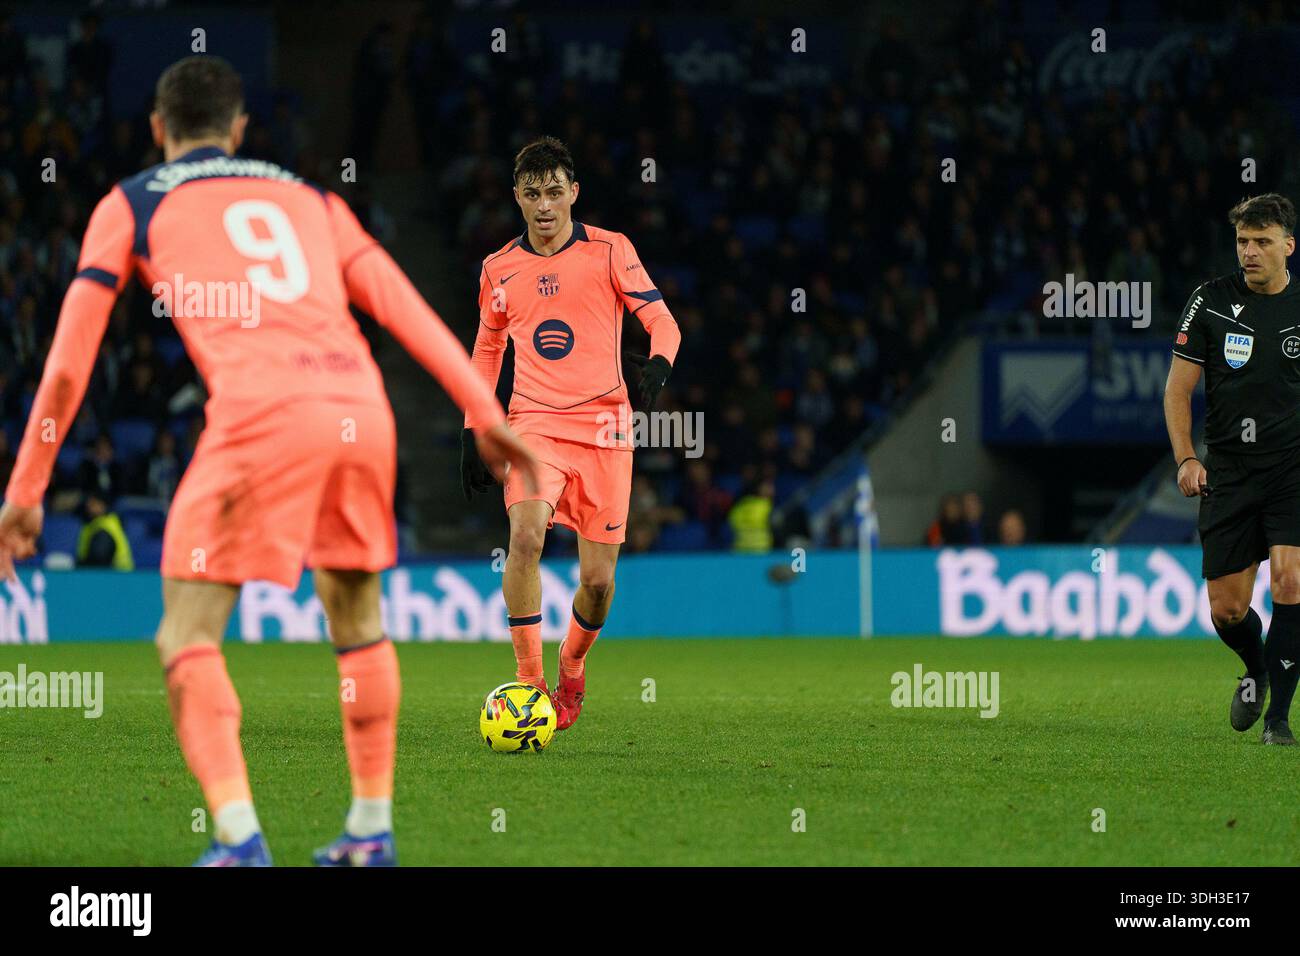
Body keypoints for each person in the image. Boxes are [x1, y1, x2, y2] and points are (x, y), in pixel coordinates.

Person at [0, 56, 539, 866]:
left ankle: (239, 840)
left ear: (158, 130)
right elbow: (398, 301)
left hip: (259, 416)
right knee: (358, 622)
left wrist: (26, 489)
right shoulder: (312, 198)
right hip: (359, 407)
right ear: (241, 129)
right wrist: (486, 416)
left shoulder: (132, 200)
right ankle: (368, 830)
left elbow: (72, 363)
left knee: (186, 633)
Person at [459, 136, 680, 731]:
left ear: (574, 193)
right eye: (533, 194)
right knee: (526, 537)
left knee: (598, 582)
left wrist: (657, 367)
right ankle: (529, 690)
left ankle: (571, 664)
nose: (545, 205)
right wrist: (476, 426)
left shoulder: (610, 250)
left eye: (555, 191)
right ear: (518, 199)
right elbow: (487, 347)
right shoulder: (499, 268)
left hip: (606, 426)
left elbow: (662, 321)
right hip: (533, 424)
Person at [1164, 192, 1300, 746]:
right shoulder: (1210, 301)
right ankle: (1258, 667)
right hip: (1228, 471)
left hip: (1292, 469)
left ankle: (1279, 722)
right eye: (1243, 241)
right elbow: (1177, 392)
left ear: (1288, 247)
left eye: (1262, 242)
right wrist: (1186, 458)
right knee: (1227, 610)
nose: (1250, 252)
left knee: (1291, 581)